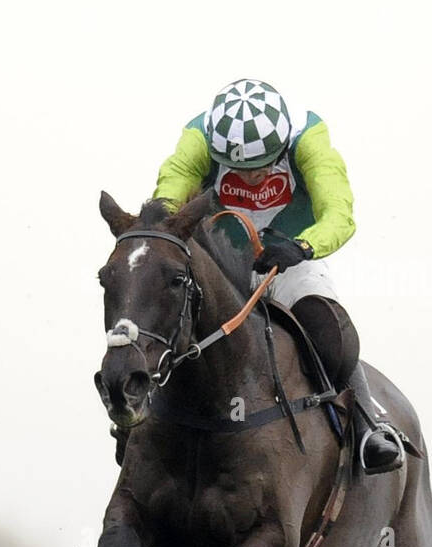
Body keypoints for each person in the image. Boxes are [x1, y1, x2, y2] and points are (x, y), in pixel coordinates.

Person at [150, 78, 403, 474]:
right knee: (165, 313)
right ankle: (139, 420)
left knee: (327, 329)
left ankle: (369, 426)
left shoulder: (309, 137)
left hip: (290, 259)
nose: (251, 178)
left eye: (261, 167)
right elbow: (169, 194)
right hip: (220, 260)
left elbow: (340, 215)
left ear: (283, 144)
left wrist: (303, 247)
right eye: (239, 169)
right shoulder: (198, 137)